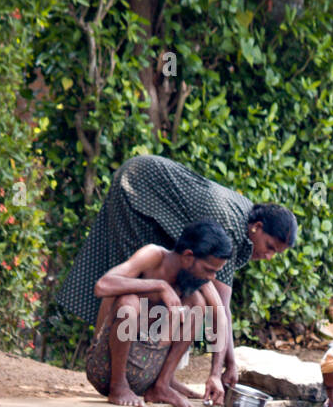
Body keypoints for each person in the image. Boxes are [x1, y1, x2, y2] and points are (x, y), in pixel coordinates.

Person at [57, 154, 297, 388]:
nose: (268, 256)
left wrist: (224, 368)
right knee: (129, 288)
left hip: (153, 197)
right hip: (139, 189)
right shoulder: (227, 229)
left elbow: (218, 312)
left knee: (193, 297)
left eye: (275, 253)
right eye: (269, 247)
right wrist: (160, 286)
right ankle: (102, 357)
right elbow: (223, 307)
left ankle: (162, 378)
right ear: (257, 227)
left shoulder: (234, 228)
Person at [85, 220, 232, 407]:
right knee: (128, 303)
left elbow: (219, 318)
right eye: (209, 269)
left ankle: (162, 385)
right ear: (188, 256)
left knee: (197, 302)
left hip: (149, 371)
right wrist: (160, 286)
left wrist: (215, 374)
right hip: (105, 368)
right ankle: (118, 386)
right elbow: (102, 286)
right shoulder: (153, 256)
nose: (212, 277)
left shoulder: (198, 278)